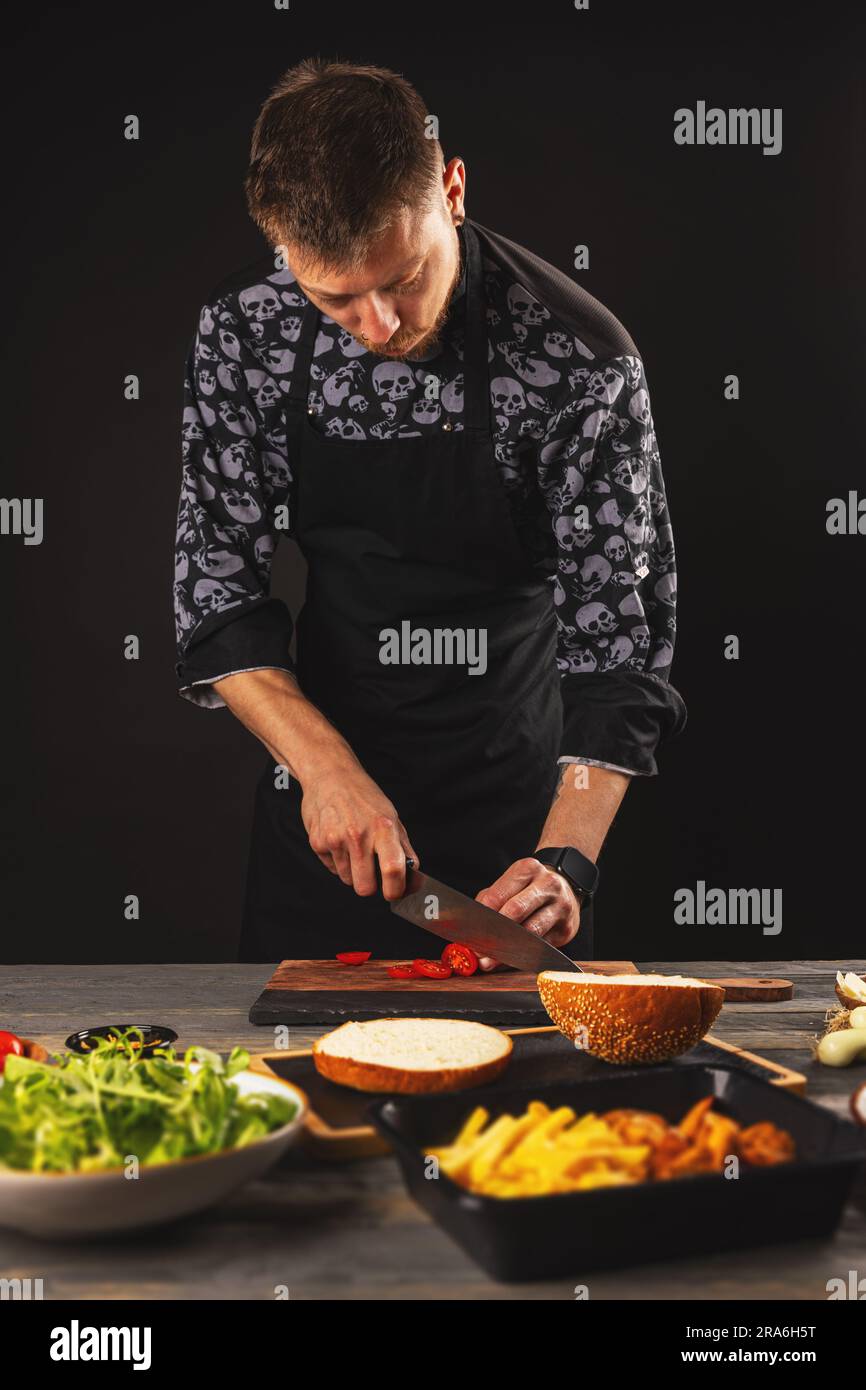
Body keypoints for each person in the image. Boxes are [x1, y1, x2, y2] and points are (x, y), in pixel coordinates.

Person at [173, 59, 686, 966]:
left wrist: (566, 860)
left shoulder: (579, 360)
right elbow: (216, 598)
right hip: (325, 819)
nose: (379, 327)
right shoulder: (245, 332)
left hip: (520, 818)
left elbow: (619, 651)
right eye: (335, 297)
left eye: (404, 278)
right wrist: (326, 773)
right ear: (282, 246)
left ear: (452, 189)